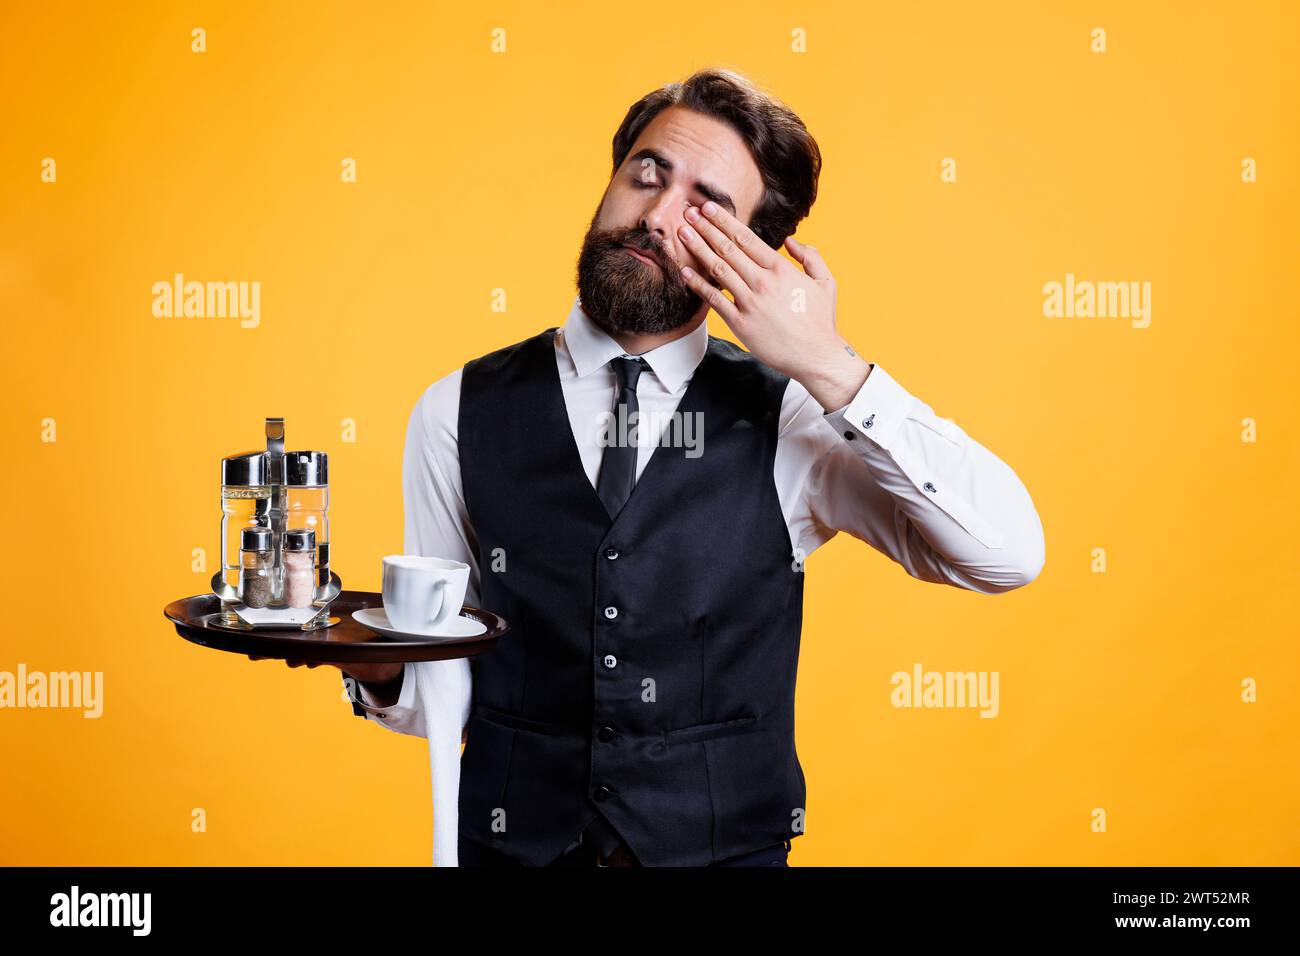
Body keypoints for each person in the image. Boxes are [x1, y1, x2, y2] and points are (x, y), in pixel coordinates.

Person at [260, 67, 1045, 867]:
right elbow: (443, 692)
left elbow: (1006, 556)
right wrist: (377, 668)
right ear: (611, 180)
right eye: (647, 174)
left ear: (754, 255)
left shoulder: (798, 416)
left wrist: (831, 366)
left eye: (707, 207)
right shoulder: (456, 408)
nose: (658, 218)